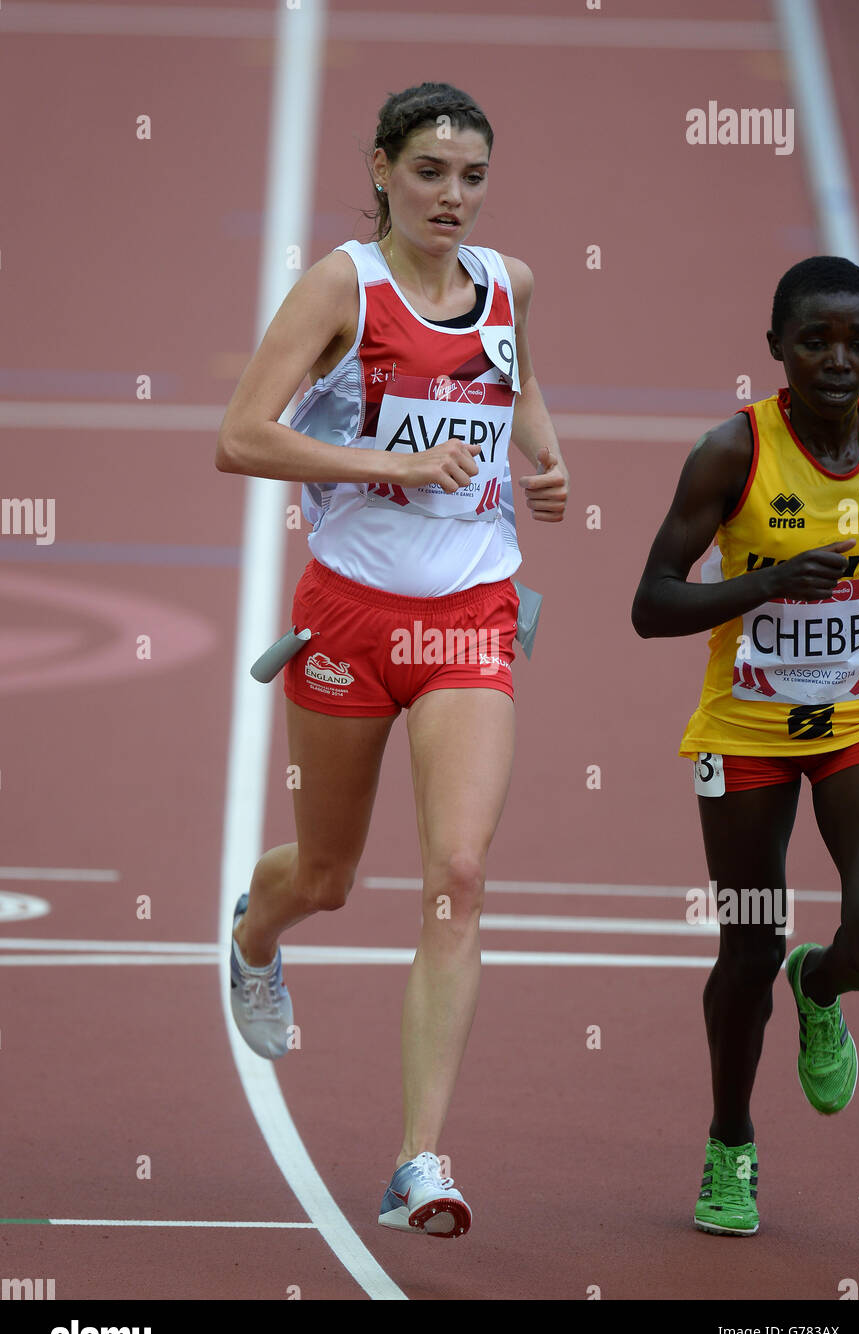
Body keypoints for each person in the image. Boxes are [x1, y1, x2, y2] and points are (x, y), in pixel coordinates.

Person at [215, 82, 569, 1238]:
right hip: (348, 621)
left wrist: (546, 461)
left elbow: (509, 383)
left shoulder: (507, 285)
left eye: (470, 176)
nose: (451, 197)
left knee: (456, 873)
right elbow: (239, 437)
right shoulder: (340, 286)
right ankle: (253, 937)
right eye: (428, 172)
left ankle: (420, 1156)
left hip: (468, 612)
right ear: (380, 169)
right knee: (327, 876)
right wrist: (382, 463)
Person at [632, 256, 859, 1235]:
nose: (837, 358)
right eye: (814, 340)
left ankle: (820, 986)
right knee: (748, 943)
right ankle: (729, 1146)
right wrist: (767, 582)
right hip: (743, 740)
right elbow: (651, 604)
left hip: (857, 726)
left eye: (857, 341)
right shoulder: (729, 452)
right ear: (775, 347)